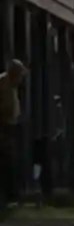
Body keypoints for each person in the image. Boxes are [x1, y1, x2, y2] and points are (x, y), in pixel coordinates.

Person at [0, 60, 26, 207]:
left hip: (11, 125)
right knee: (6, 162)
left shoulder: (11, 86)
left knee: (11, 160)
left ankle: (12, 195)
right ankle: (9, 195)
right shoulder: (3, 84)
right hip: (4, 126)